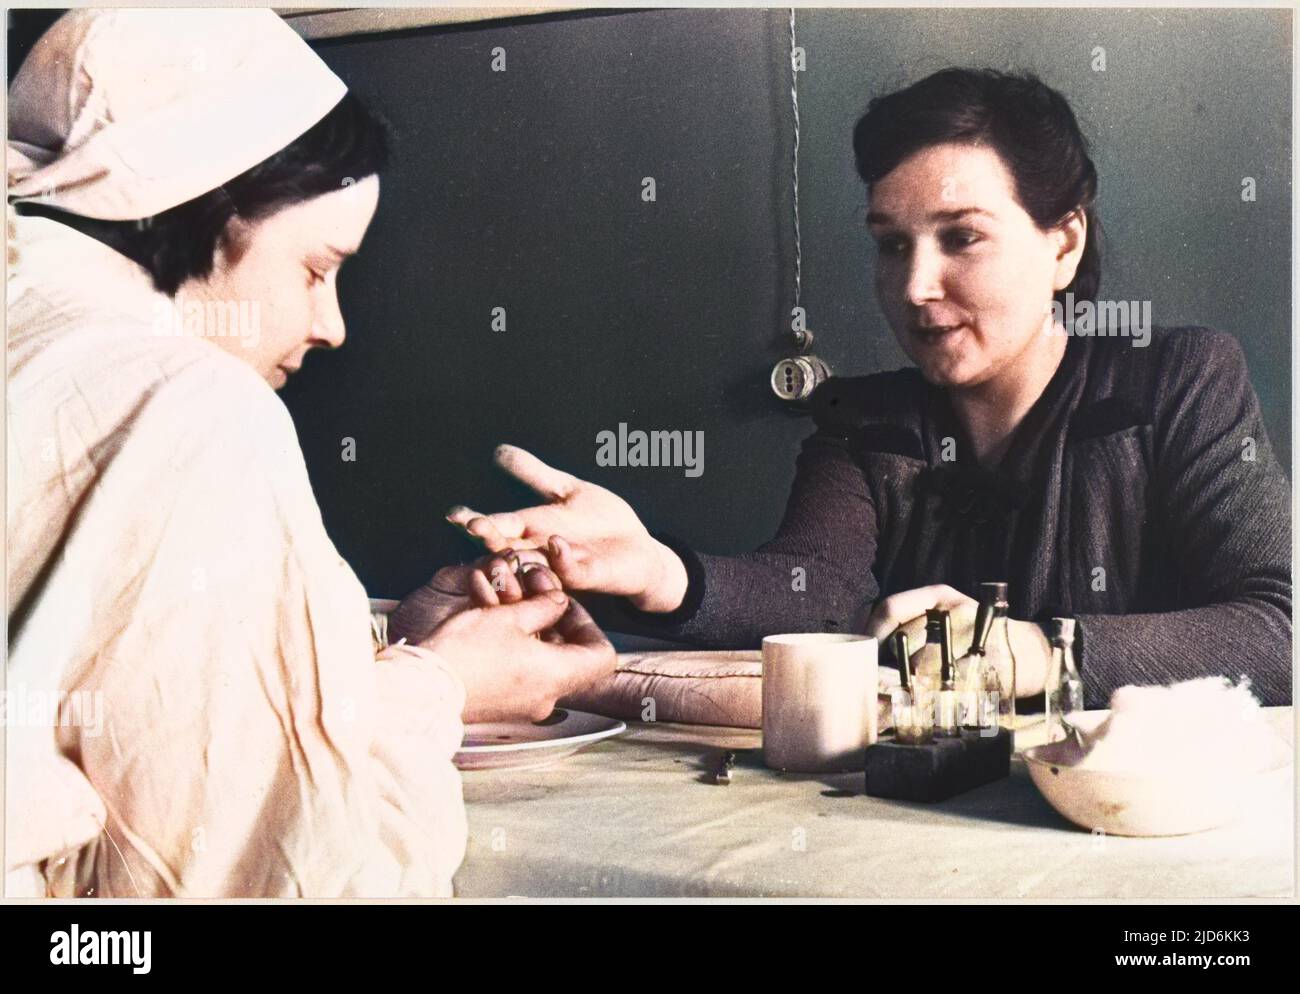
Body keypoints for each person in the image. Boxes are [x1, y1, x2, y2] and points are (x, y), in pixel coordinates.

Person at [6, 8, 613, 898]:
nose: (330, 326)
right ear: (203, 209)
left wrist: (351, 665)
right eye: (316, 269)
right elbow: (272, 866)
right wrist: (437, 686)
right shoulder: (190, 405)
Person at [451, 68, 1292, 709]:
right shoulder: (864, 418)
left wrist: (1033, 652)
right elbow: (816, 592)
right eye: (892, 246)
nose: (916, 286)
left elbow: (1281, 630)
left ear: (1063, 243)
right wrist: (659, 572)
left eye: (961, 237)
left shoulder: (1179, 381)